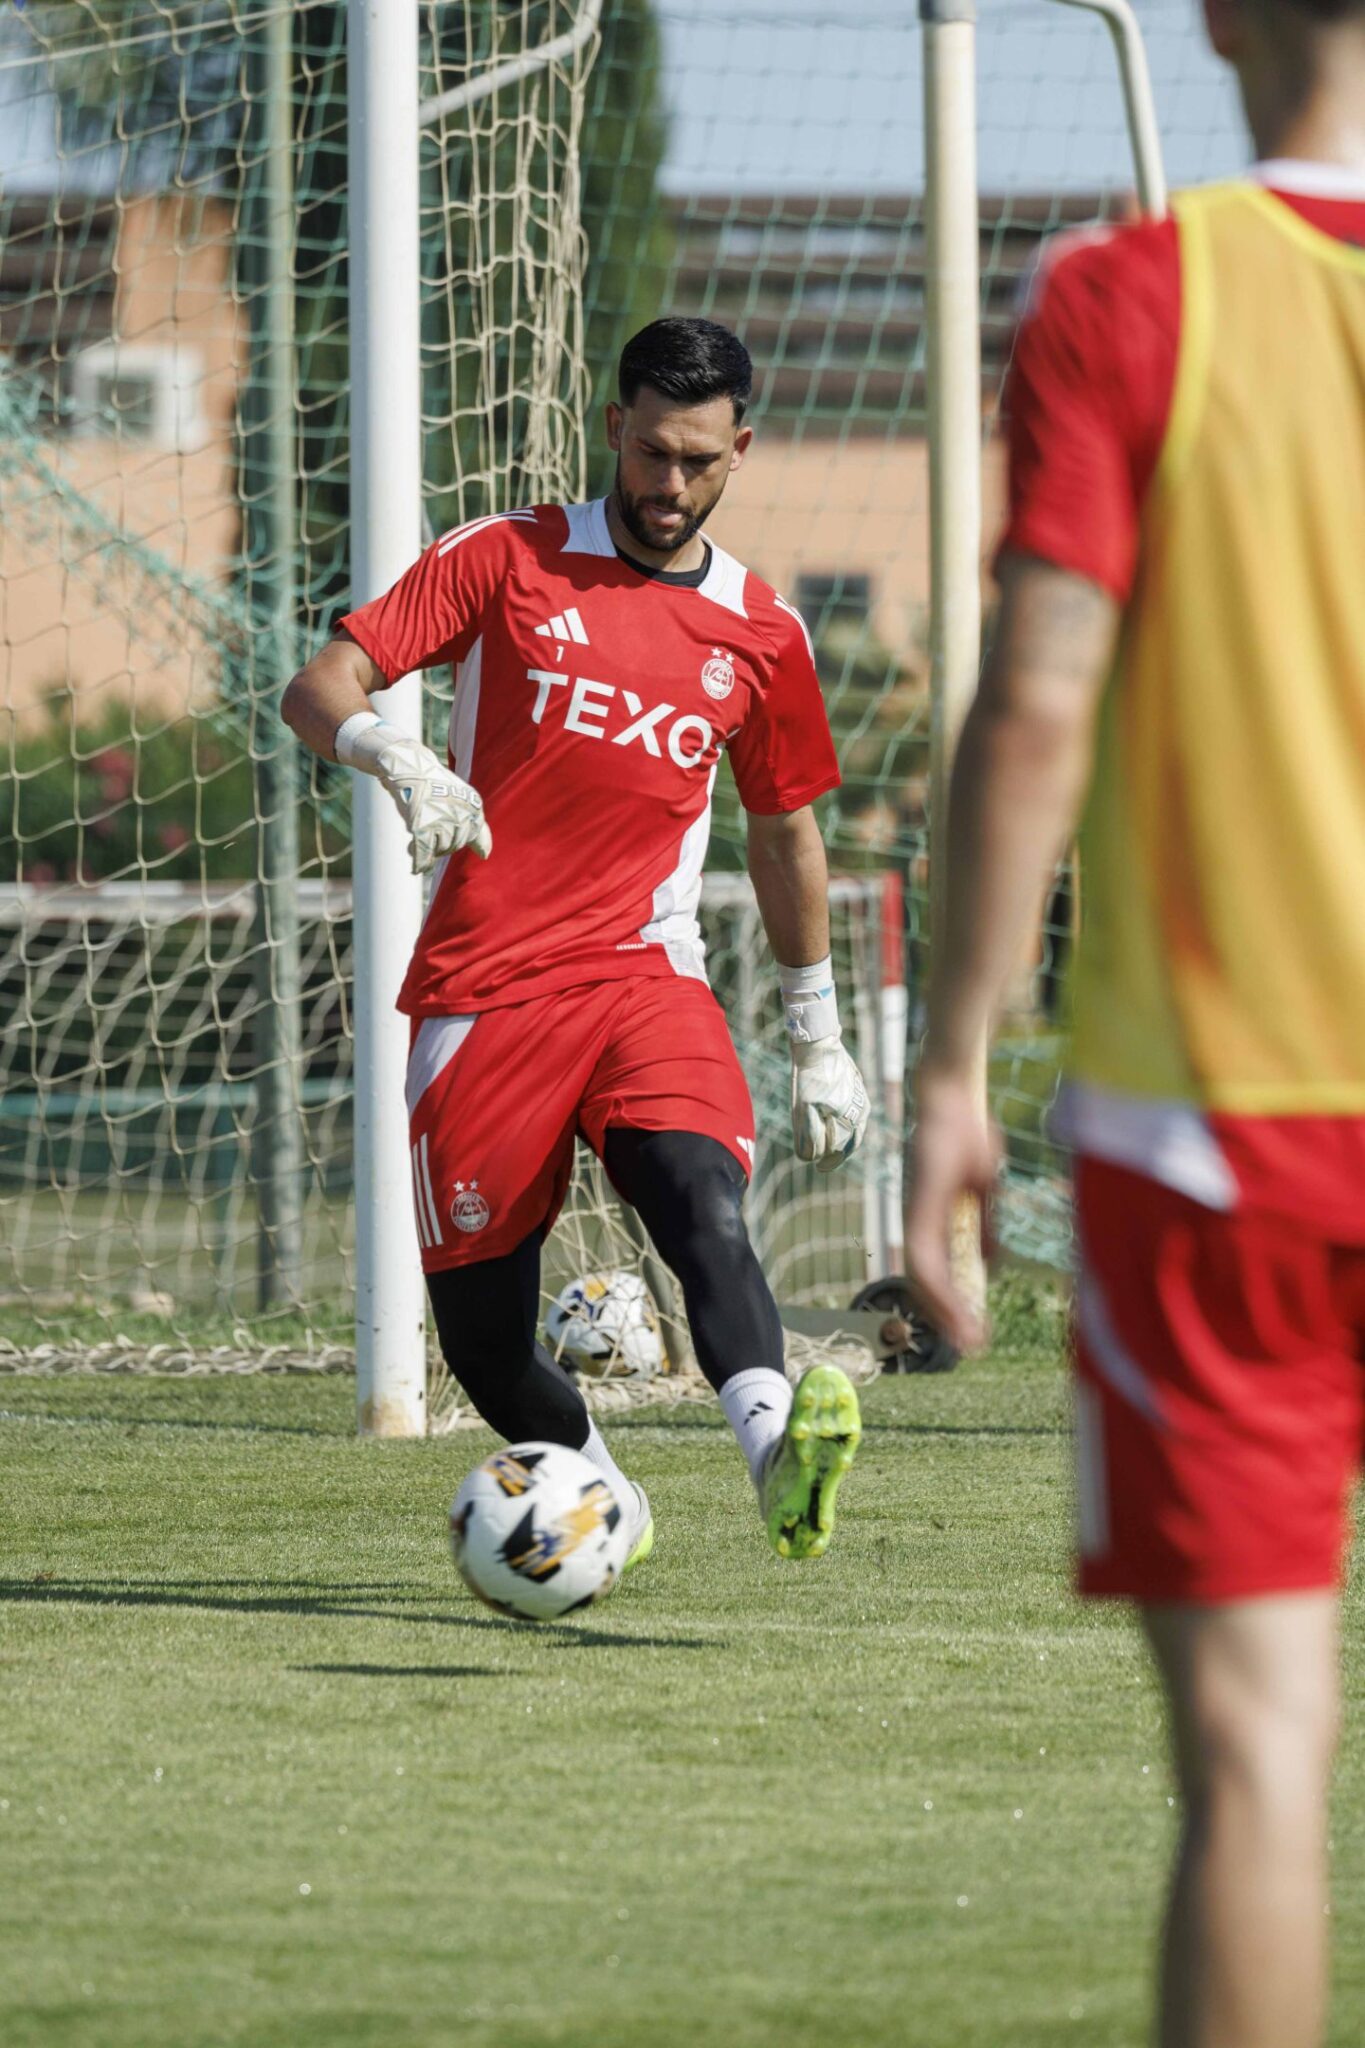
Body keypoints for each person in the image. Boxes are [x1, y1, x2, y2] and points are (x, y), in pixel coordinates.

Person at [903, 4, 1365, 2043]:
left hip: (1221, 1132)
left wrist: (942, 1083)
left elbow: (1033, 709)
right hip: (1226, 1130)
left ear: (1217, 16)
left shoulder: (1127, 297)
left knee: (1260, 1760)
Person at [283, 317, 869, 1566]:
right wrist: (395, 752)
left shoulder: (763, 633)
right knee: (485, 1339)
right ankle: (606, 1498)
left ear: (740, 451)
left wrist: (819, 1035)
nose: (670, 485)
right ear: (614, 428)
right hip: (483, 990)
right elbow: (322, 681)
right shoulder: (508, 555)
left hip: (643, 973)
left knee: (699, 1195)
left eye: (700, 460)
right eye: (653, 451)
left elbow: (785, 835)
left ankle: (777, 1453)